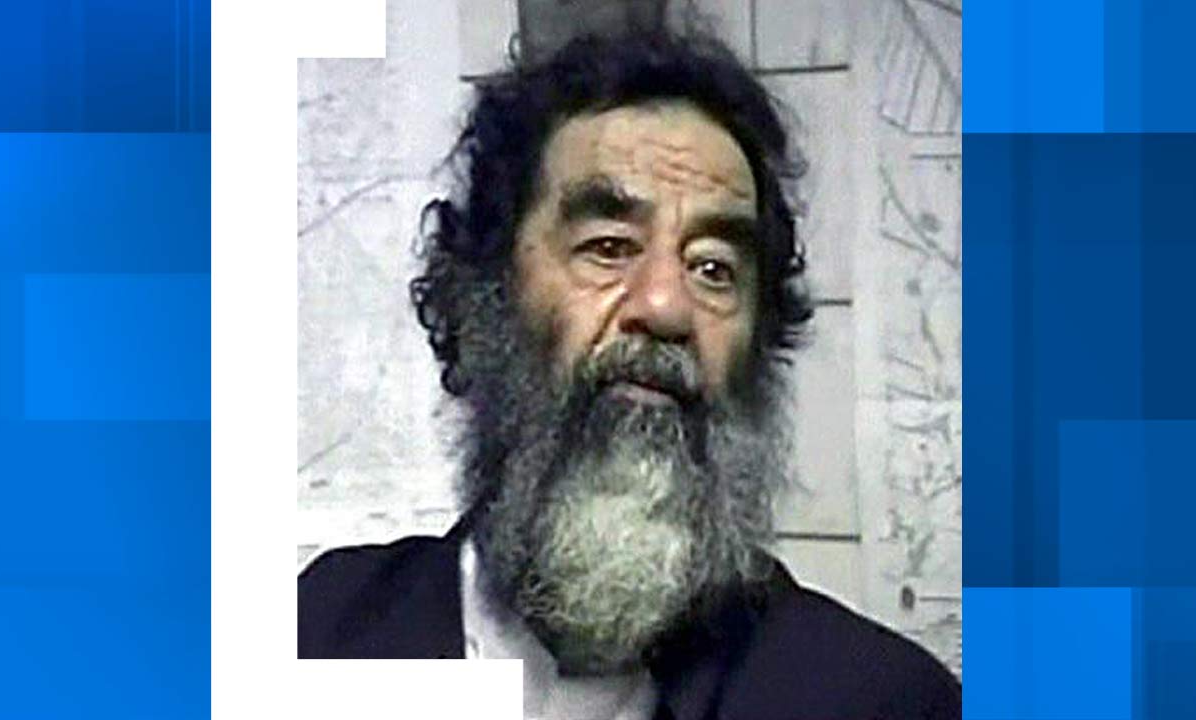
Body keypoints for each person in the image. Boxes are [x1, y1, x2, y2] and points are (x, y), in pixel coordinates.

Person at [298, 25, 961, 720]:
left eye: (713, 268)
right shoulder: (319, 632)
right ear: (480, 301)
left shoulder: (876, 701)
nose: (666, 305)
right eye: (609, 247)